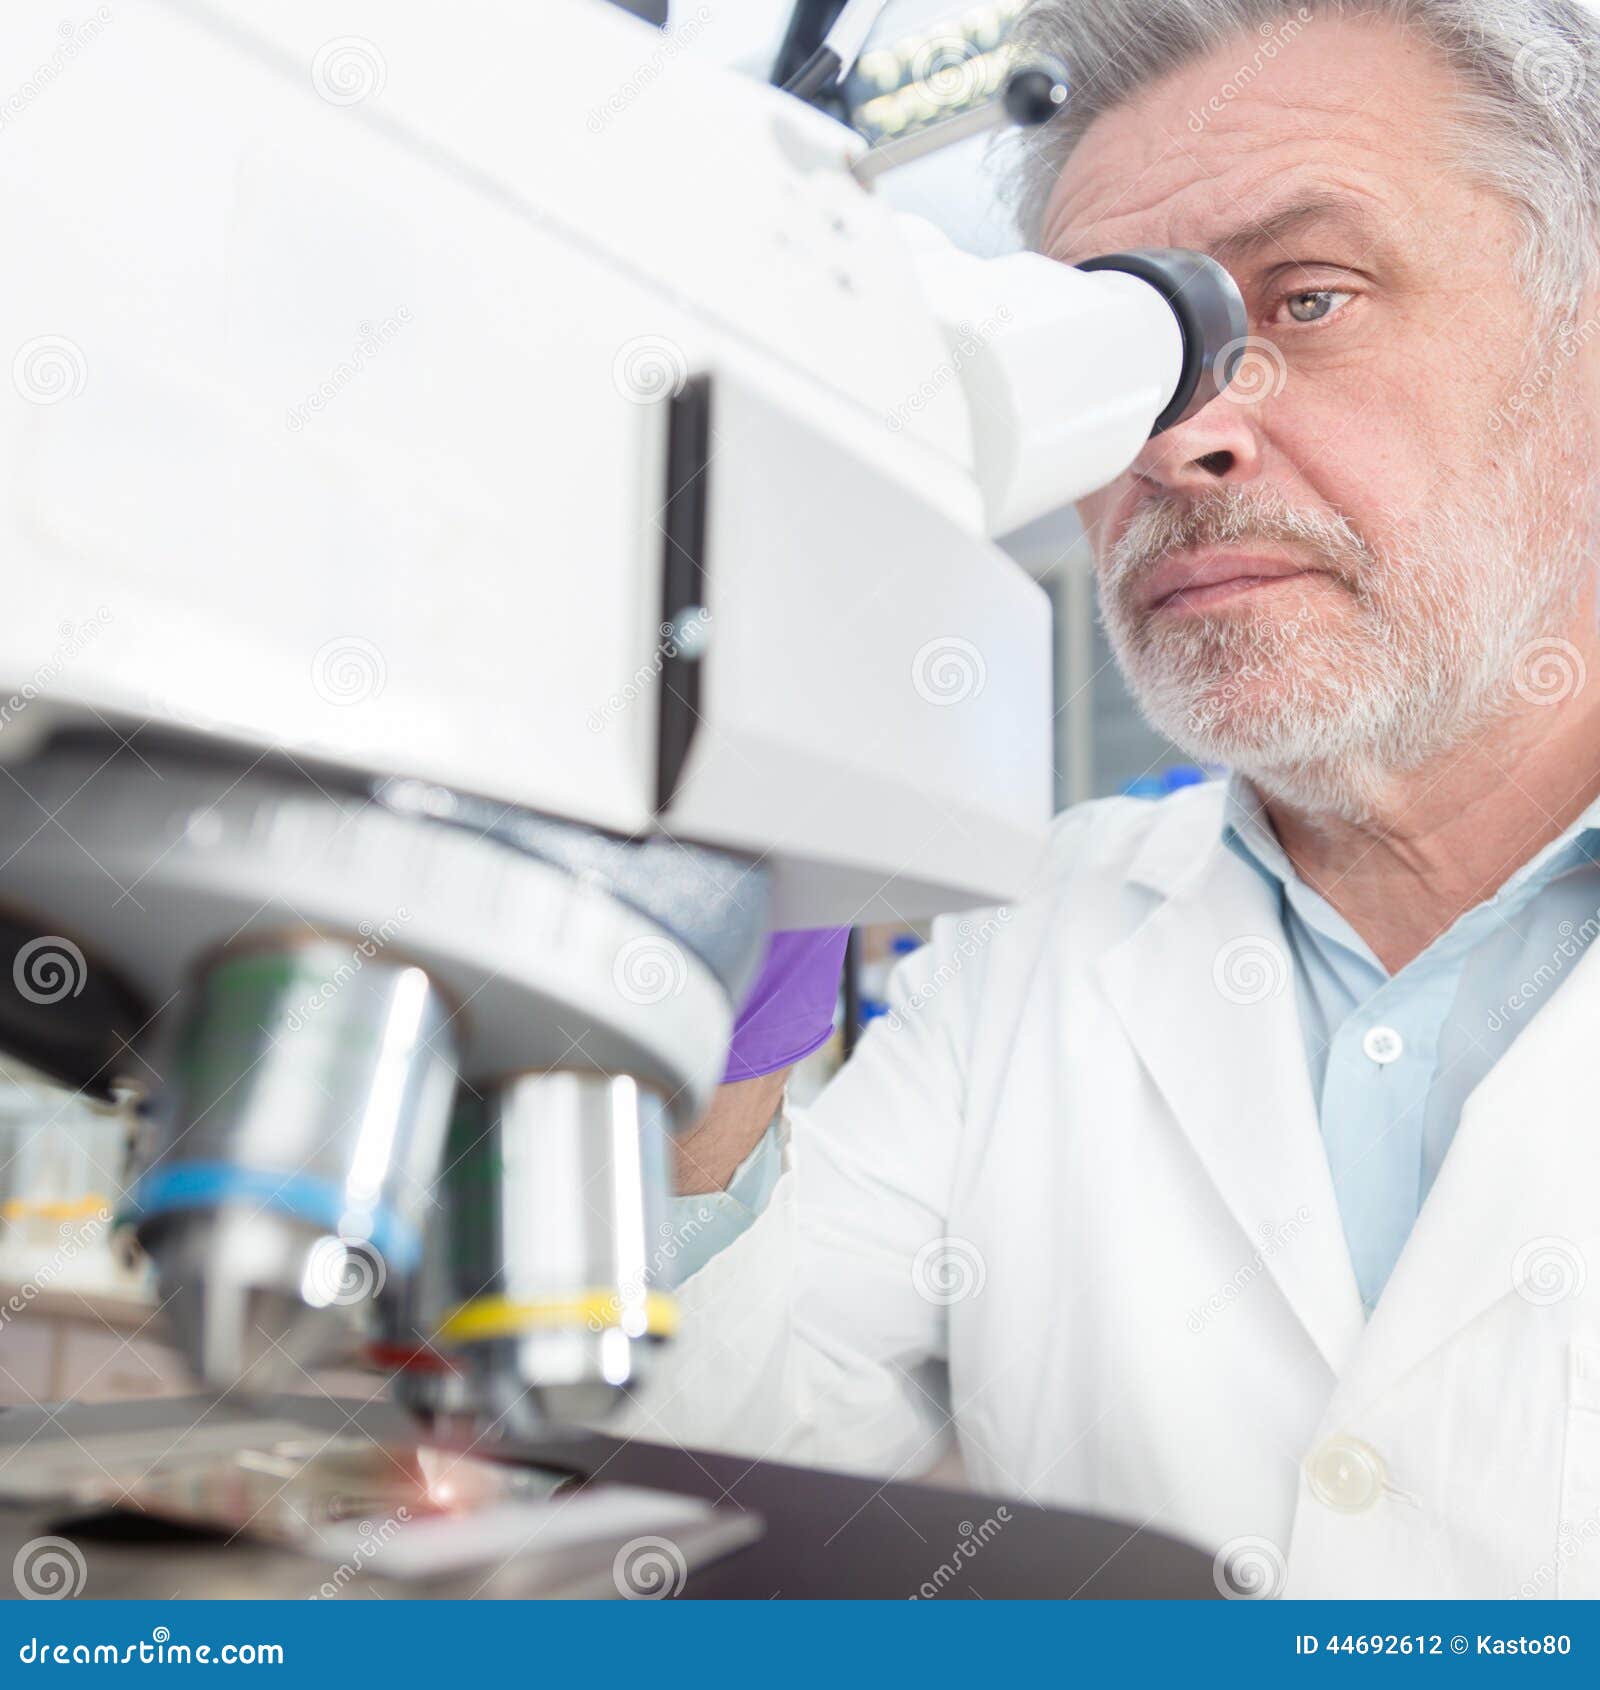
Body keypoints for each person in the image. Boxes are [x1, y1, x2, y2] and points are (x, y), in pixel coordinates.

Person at [631, 0, 1600, 1600]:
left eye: (1311, 296)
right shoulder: (1028, 939)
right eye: (1123, 353)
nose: (1184, 436)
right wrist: (727, 927)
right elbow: (692, 1482)